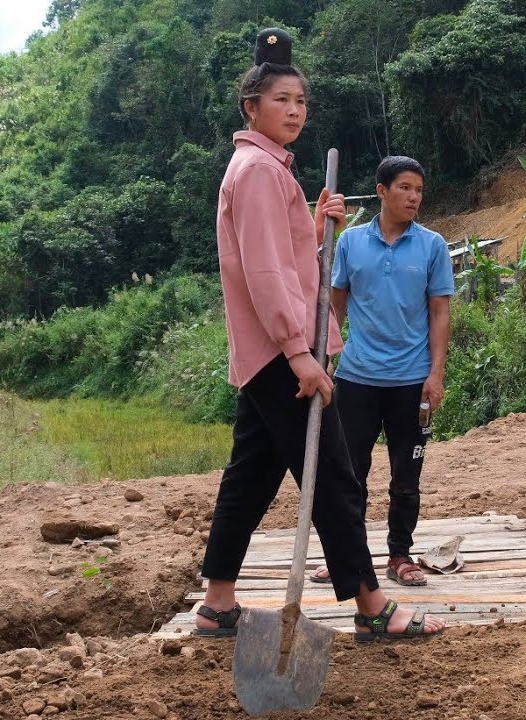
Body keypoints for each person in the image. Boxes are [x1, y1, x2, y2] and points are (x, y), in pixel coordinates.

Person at [193, 28, 445, 641]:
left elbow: (283, 254)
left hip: (267, 354)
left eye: (301, 102)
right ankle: (371, 606)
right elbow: (264, 274)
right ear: (251, 108)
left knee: (251, 474)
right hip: (282, 354)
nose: (295, 111)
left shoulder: (267, 170)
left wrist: (312, 222)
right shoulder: (255, 170)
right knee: (334, 476)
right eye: (282, 101)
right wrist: (301, 353)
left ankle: (217, 602)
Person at [311, 156, 453, 587]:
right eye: (405, 188)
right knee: (349, 475)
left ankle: (400, 555)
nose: (414, 197)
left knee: (407, 476)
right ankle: (347, 559)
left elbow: (440, 313)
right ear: (381, 191)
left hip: (412, 381)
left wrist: (436, 374)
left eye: (419, 191)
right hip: (356, 379)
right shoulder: (350, 242)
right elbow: (333, 304)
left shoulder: (432, 246)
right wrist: (326, 359)